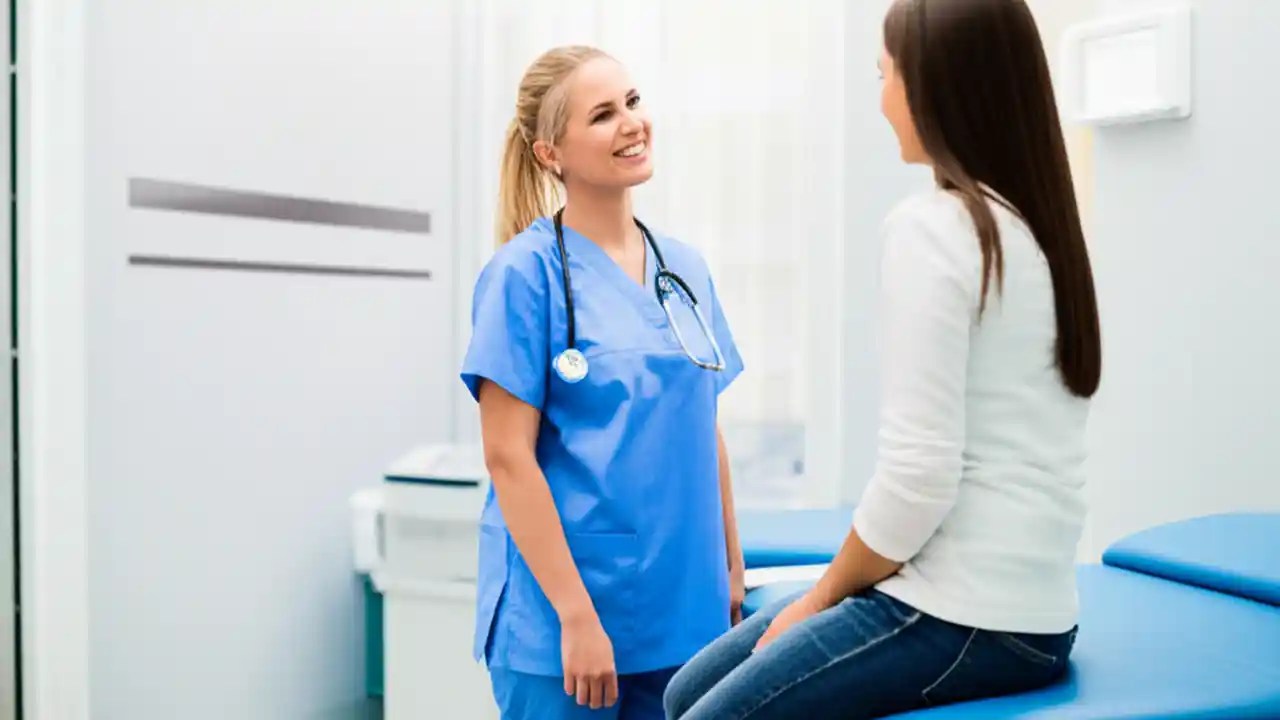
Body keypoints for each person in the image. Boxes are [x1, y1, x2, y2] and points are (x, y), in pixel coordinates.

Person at [663, 1, 1103, 717]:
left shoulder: (934, 230)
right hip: (1036, 616)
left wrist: (818, 597)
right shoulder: (1035, 231)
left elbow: (917, 480)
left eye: (884, 75)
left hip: (964, 615)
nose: (881, 99)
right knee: (683, 692)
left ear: (935, 87)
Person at [460, 45, 747, 719]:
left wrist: (728, 565)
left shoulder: (685, 269)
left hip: (682, 611)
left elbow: (703, 426)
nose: (631, 123)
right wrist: (576, 616)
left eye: (633, 102)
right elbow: (508, 457)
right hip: (563, 622)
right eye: (602, 115)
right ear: (550, 154)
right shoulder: (523, 275)